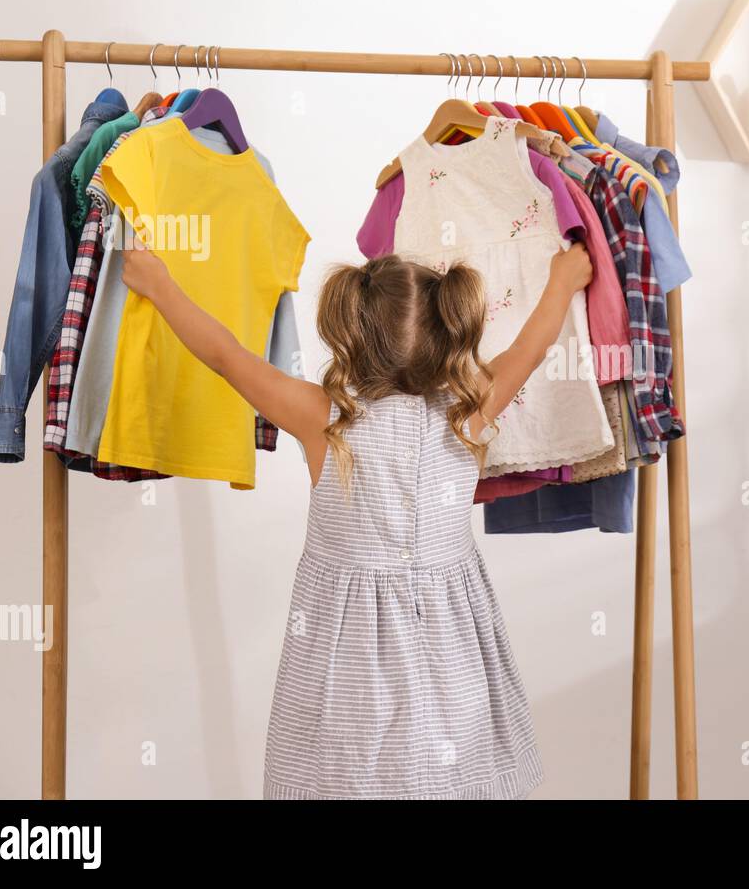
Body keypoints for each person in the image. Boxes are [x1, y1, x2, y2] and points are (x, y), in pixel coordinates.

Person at [121, 237, 593, 799]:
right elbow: (532, 348)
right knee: (449, 773)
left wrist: (160, 285)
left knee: (344, 775)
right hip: (450, 651)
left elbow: (226, 356)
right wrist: (564, 280)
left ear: (353, 332)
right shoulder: (470, 411)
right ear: (446, 335)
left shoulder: (324, 418)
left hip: (348, 661)